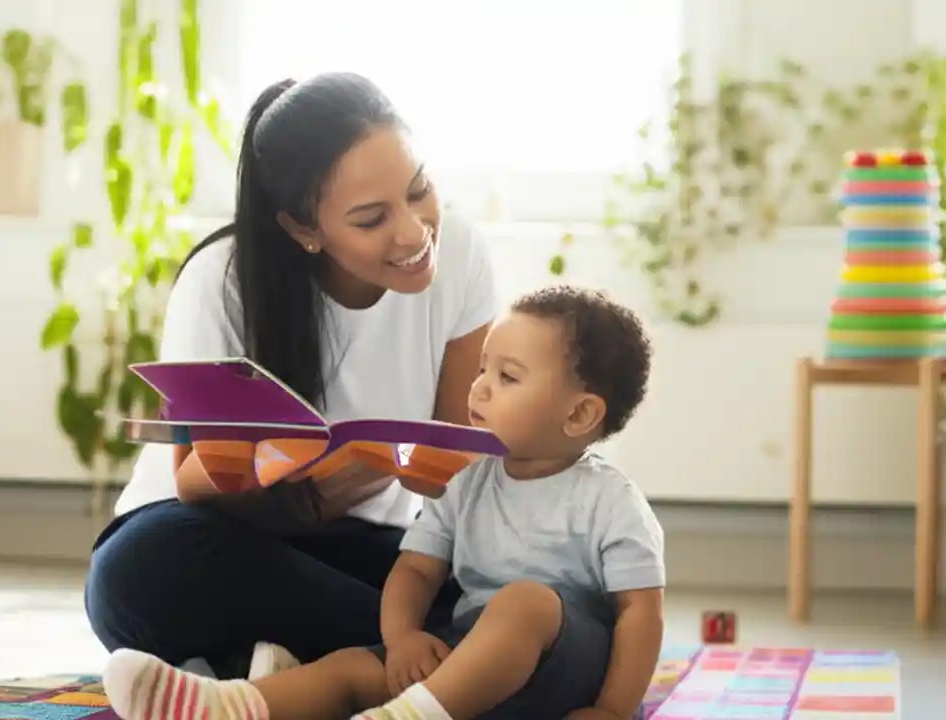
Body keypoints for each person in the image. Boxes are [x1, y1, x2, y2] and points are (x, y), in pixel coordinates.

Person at [84, 72, 498, 680]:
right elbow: (194, 481)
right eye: (370, 218)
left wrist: (393, 457)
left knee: (529, 592)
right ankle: (442, 662)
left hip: (364, 547)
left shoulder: (460, 251)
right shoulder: (219, 281)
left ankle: (292, 670)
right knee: (135, 569)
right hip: (215, 537)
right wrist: (305, 479)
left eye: (419, 190)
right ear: (304, 229)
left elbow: (459, 462)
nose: (413, 231)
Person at [102, 285, 666, 720]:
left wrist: (614, 709)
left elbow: (640, 612)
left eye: (508, 377)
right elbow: (416, 569)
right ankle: (228, 706)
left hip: (571, 670)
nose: (480, 388)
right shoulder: (467, 483)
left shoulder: (609, 501)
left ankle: (411, 713)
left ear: (579, 415)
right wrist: (402, 641)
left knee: (525, 604)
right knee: (354, 667)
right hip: (472, 668)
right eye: (483, 369)